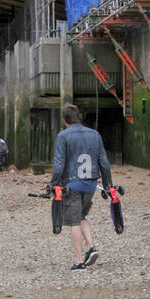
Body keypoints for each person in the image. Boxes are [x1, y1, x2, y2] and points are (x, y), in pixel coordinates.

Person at [49, 104, 113, 272]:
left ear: (64, 120)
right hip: (91, 184)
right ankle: (91, 247)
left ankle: (79, 261)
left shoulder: (63, 136)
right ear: (79, 117)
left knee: (74, 221)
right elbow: (104, 163)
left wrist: (53, 183)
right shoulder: (95, 134)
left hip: (72, 183)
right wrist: (108, 185)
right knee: (82, 215)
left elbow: (59, 164)